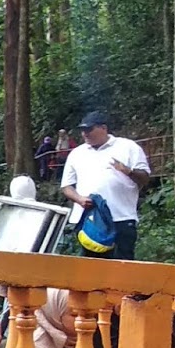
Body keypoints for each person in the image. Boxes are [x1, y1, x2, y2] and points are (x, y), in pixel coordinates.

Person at [61, 111, 150, 260]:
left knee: (122, 266)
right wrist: (79, 199)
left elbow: (145, 178)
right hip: (88, 219)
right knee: (90, 267)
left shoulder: (128, 147)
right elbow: (66, 186)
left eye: (89, 130)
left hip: (120, 218)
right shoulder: (77, 153)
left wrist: (128, 171)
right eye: (82, 130)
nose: (85, 134)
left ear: (103, 128)